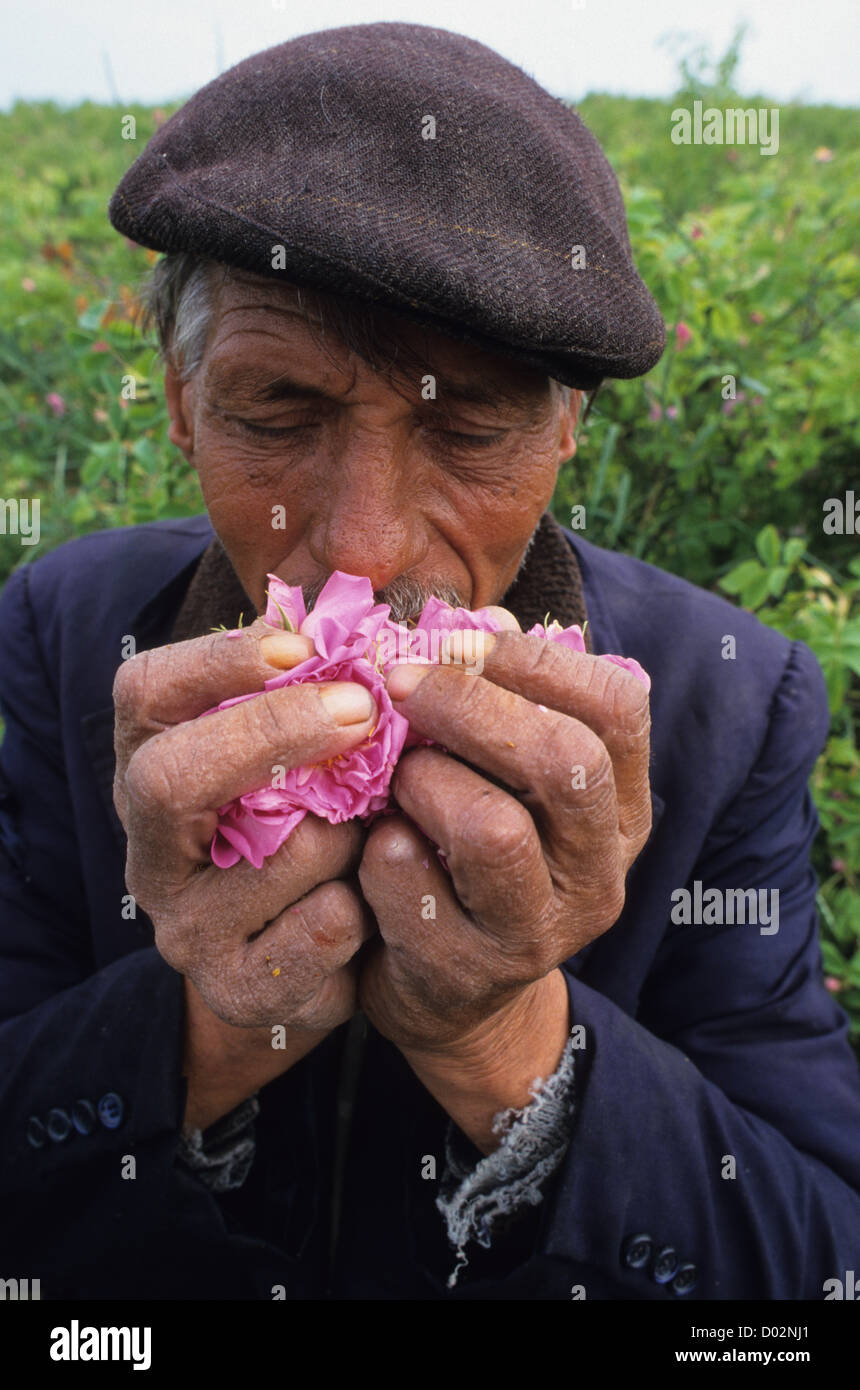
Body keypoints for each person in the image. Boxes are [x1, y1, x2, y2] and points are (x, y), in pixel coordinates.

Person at [1, 22, 858, 1301]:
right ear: (181, 401)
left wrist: (508, 1041)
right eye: (277, 410)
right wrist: (202, 1032)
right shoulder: (66, 628)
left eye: (468, 428)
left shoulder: (721, 700)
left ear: (565, 433)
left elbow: (817, 1265)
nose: (363, 541)